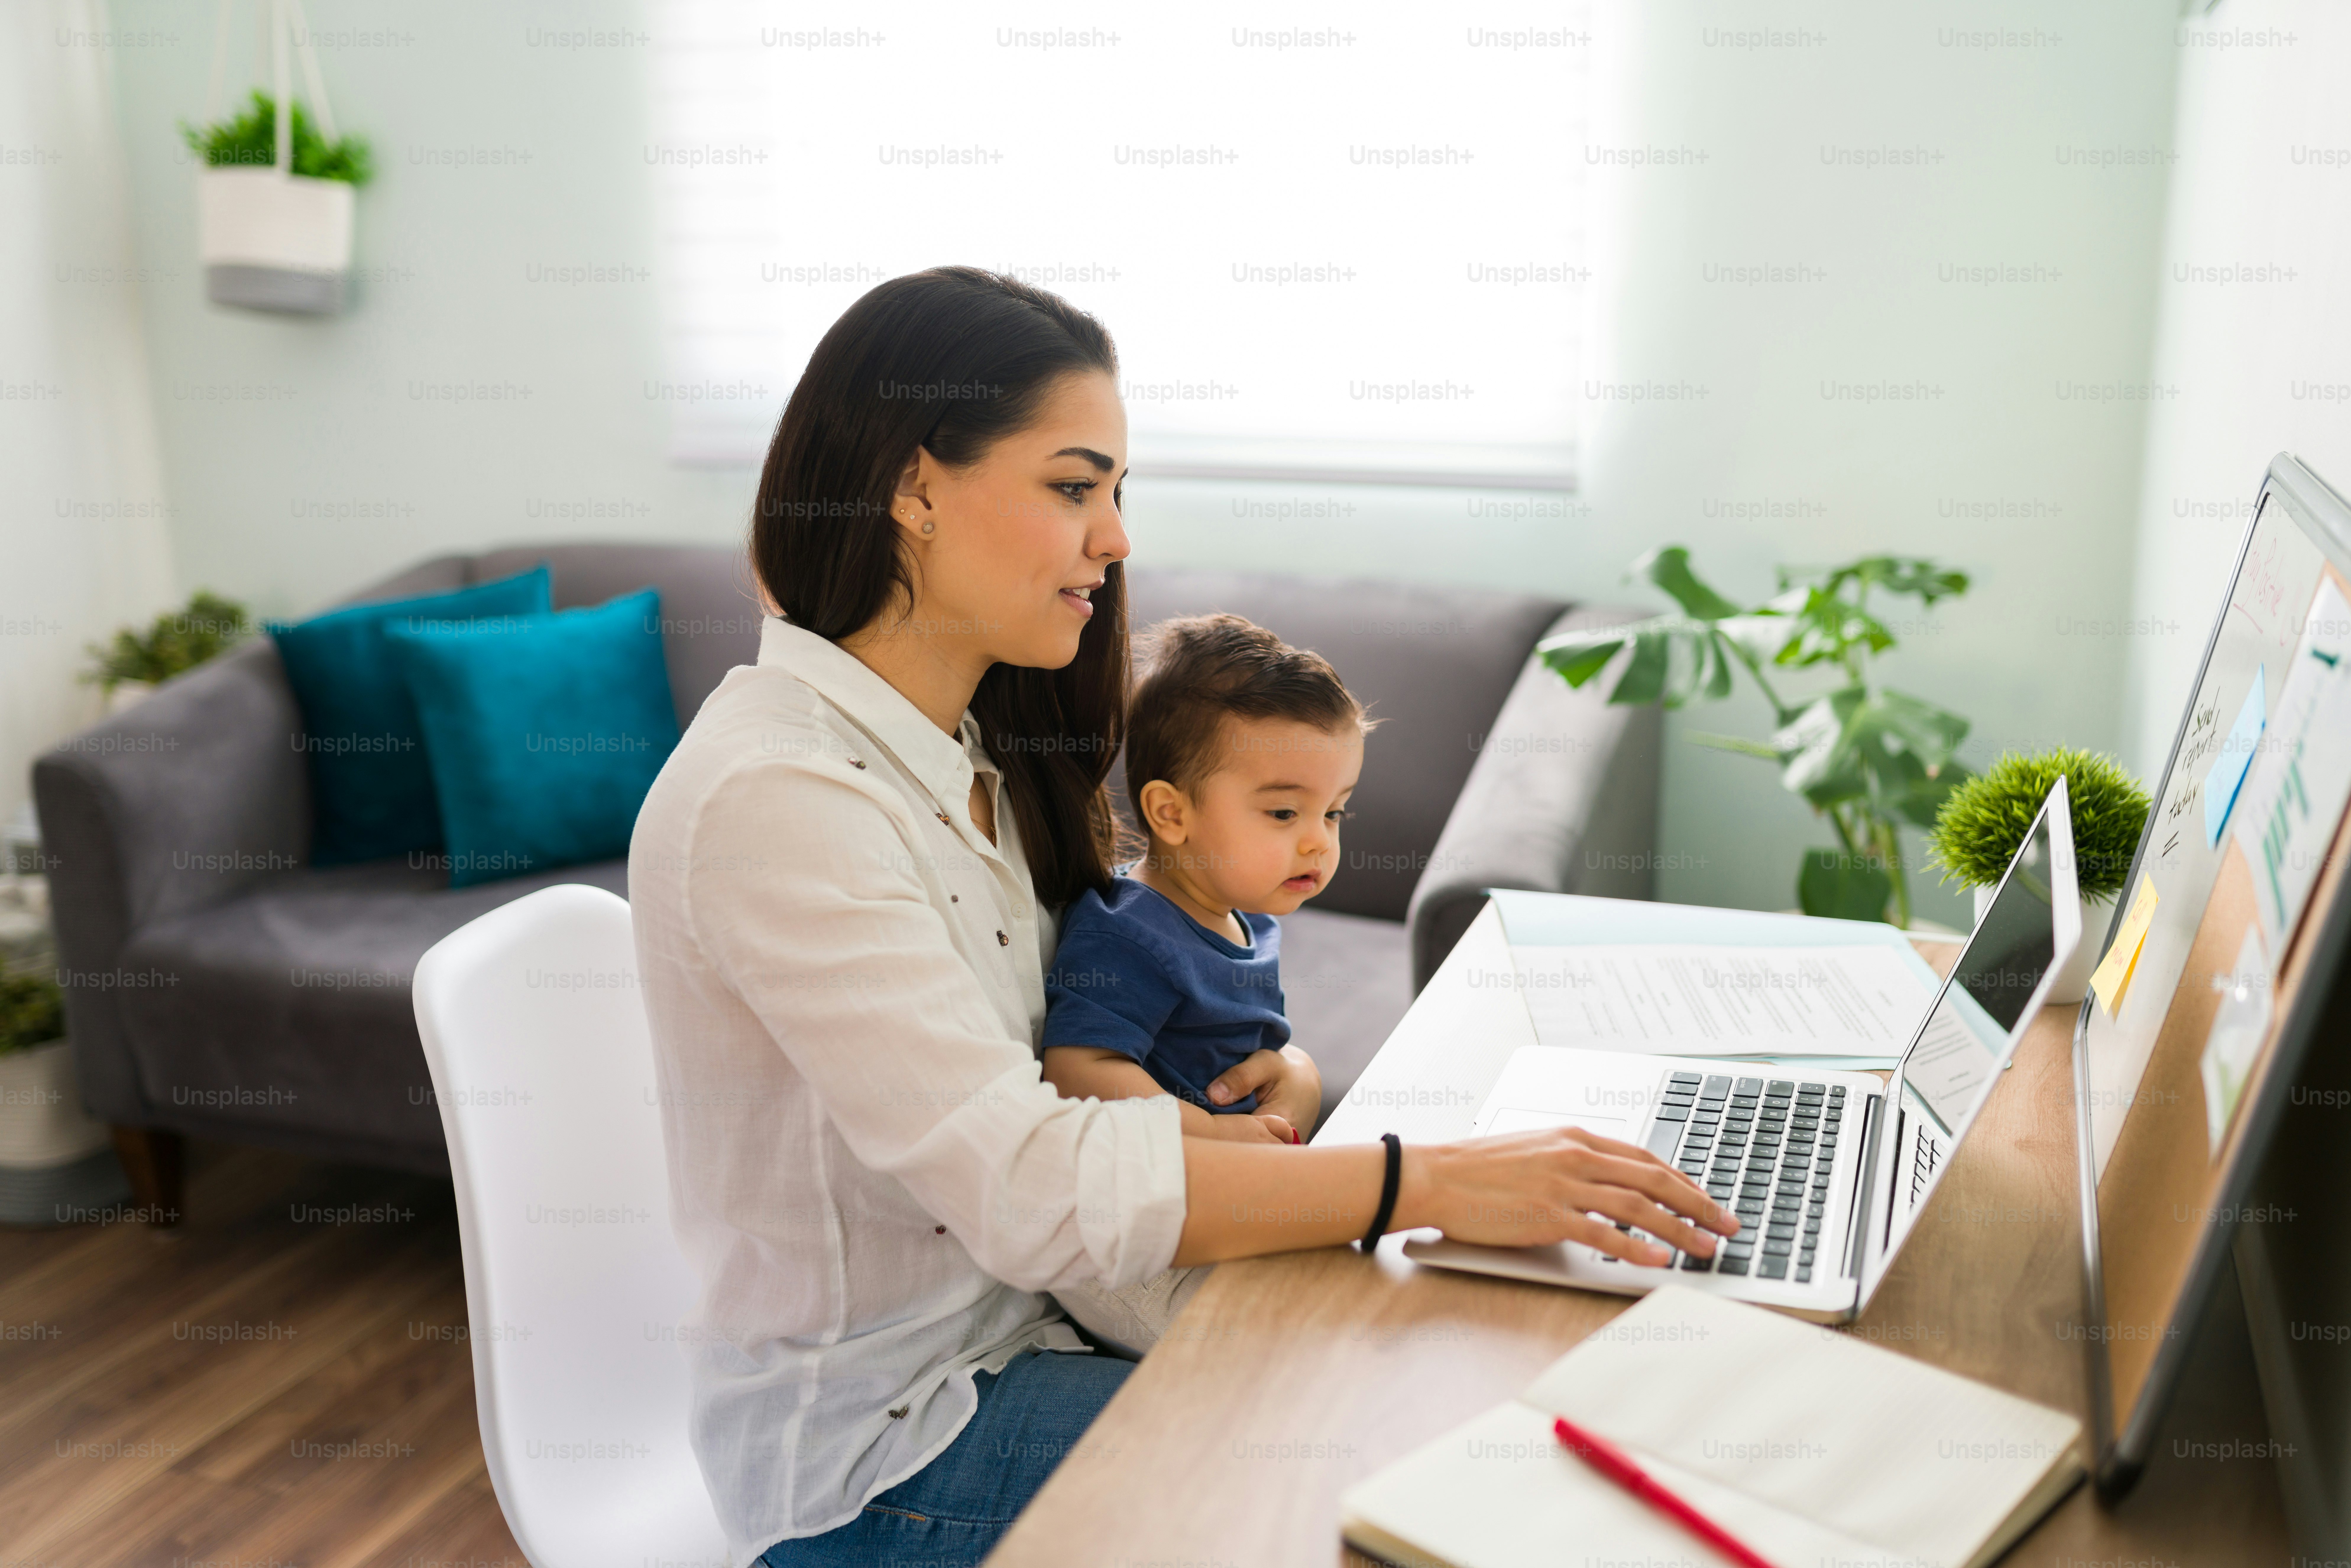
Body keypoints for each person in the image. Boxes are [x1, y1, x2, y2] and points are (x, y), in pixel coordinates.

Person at [628, 265, 1740, 1568]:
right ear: (913, 487)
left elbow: (1091, 1077)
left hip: (1067, 1323)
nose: (1113, 539)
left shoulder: (975, 752)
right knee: (1403, 1478)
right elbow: (1025, 1185)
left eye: (1116, 494)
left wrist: (1283, 1108)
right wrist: (1422, 1184)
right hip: (892, 1449)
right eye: (1072, 486)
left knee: (1468, 1389)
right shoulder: (782, 799)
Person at [1039, 613, 1364, 1350]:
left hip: (1222, 1199)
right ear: (1171, 813)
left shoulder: (1244, 922)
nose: (1319, 839)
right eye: (1284, 812)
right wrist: (1211, 1133)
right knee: (1270, 1350)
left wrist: (1293, 1073)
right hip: (1133, 1240)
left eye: (1334, 811)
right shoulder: (1129, 933)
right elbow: (1076, 1072)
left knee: (1358, 1294)